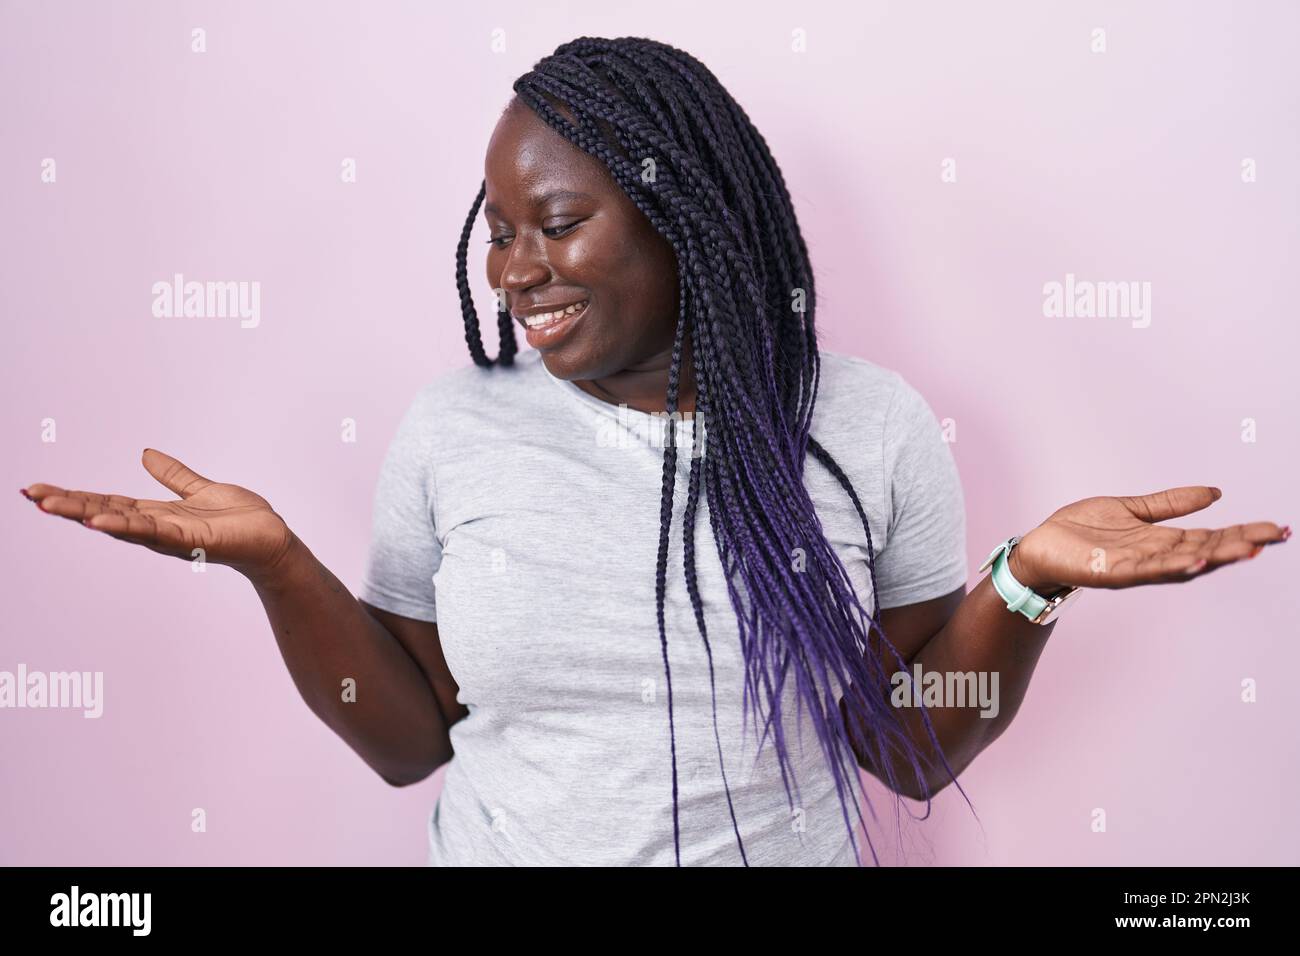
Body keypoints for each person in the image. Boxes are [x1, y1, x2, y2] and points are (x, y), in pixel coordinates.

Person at [22, 36, 1289, 867]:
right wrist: (280, 567)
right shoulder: (455, 428)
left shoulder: (872, 426)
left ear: (685, 216)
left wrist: (1028, 582)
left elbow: (902, 747)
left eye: (557, 224)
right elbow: (410, 740)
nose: (515, 272)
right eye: (498, 232)